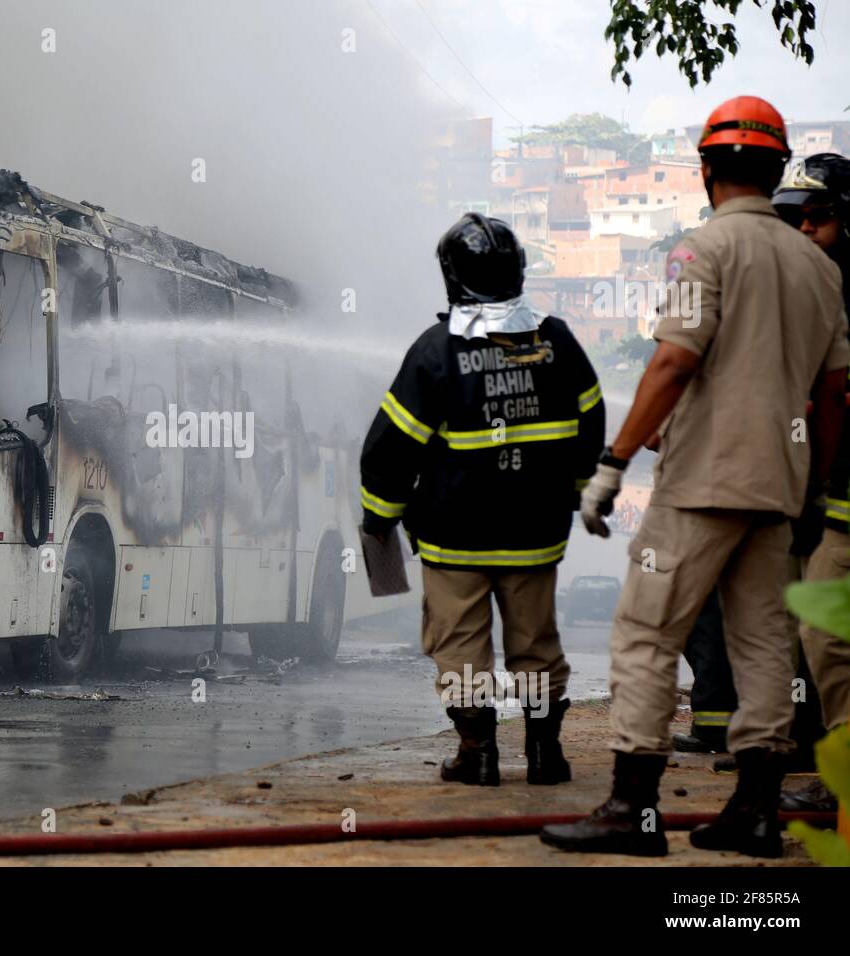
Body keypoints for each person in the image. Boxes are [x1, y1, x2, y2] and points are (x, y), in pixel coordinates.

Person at [539, 96, 849, 858]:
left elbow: (674, 359)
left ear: (707, 169)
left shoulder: (702, 252)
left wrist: (614, 463)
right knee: (763, 647)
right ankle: (756, 811)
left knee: (645, 632)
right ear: (775, 170)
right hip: (779, 488)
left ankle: (632, 810)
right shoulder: (817, 266)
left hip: (703, 482)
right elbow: (835, 392)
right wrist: (808, 484)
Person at [360, 213, 604, 787]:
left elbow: (390, 449)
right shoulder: (557, 341)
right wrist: (568, 493)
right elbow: (589, 423)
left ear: (451, 275)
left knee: (461, 647)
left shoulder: (437, 351)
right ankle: (546, 754)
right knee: (536, 643)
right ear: (517, 270)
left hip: (456, 538)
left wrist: (380, 517)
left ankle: (478, 753)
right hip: (535, 533)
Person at [772, 151, 850, 813]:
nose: (804, 232)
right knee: (824, 640)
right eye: (793, 219)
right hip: (830, 505)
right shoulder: (803, 295)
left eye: (817, 219)